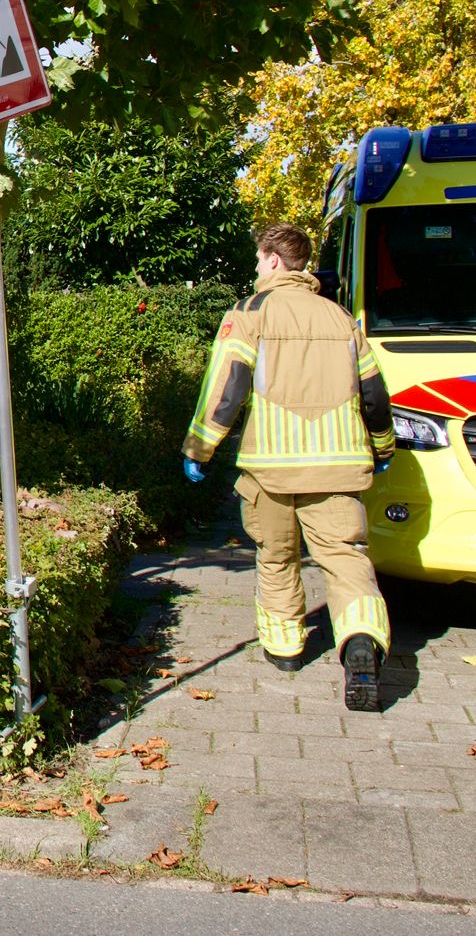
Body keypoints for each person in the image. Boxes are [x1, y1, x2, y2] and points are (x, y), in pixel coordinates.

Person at [183, 222, 397, 710]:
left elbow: (226, 388)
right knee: (345, 558)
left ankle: (285, 649)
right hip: (339, 465)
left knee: (277, 556)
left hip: (271, 469)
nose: (257, 266)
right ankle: (361, 638)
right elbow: (374, 394)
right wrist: (383, 449)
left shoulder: (249, 313)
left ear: (274, 259)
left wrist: (199, 448)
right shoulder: (341, 317)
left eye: (259, 258)